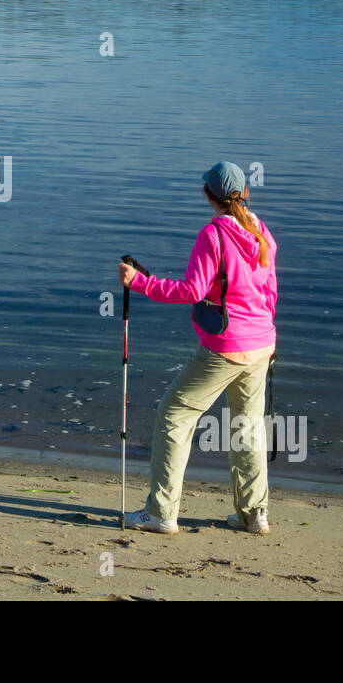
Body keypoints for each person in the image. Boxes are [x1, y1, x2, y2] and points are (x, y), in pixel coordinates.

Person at [117, 161, 278, 535]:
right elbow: (270, 292)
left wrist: (141, 282)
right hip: (261, 343)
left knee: (174, 415)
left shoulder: (213, 235)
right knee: (247, 427)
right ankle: (254, 515)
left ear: (209, 195)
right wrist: (268, 337)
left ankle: (161, 513)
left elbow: (192, 290)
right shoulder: (261, 230)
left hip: (226, 346)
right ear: (243, 193)